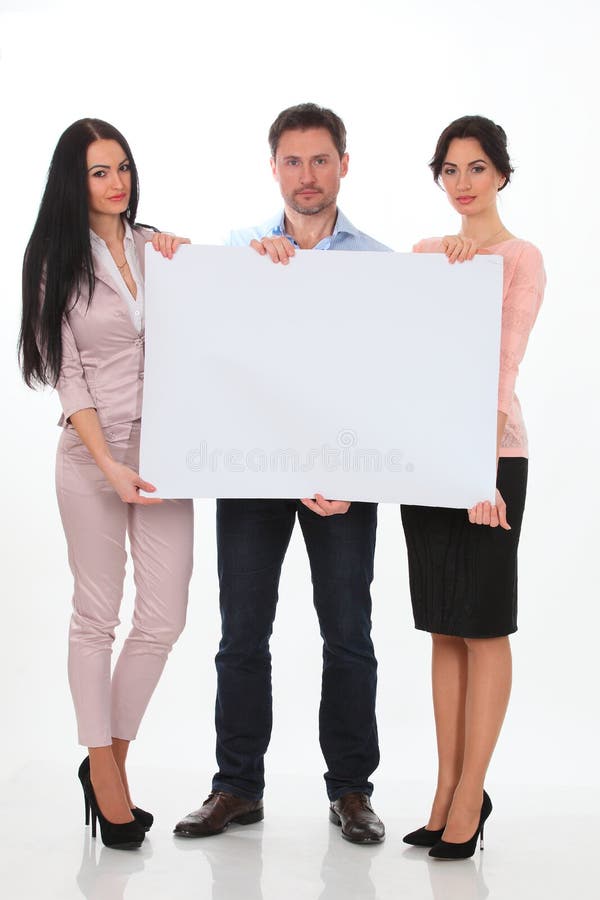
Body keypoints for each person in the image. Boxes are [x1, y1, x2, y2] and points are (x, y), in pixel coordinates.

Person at [174, 103, 389, 844]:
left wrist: (356, 475)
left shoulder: (380, 265)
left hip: (341, 484)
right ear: (274, 169)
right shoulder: (239, 249)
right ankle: (237, 786)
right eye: (293, 161)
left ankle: (353, 791)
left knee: (349, 635)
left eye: (321, 159)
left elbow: (387, 385)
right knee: (241, 635)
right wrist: (245, 276)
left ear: (344, 165)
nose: (307, 175)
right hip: (254, 473)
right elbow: (213, 351)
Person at [19, 118, 194, 850]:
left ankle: (107, 763)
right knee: (96, 617)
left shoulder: (156, 248)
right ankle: (106, 767)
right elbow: (70, 376)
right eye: (99, 171)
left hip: (167, 450)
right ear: (73, 180)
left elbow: (212, 329)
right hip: (91, 455)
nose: (116, 182)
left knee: (164, 617)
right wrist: (111, 464)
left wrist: (197, 268)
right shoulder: (54, 260)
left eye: (122, 167)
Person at [401, 115, 545, 859]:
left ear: (502, 176)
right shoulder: (428, 254)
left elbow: (503, 363)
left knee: (484, 623)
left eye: (477, 168)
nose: (463, 183)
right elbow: (405, 349)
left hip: (490, 456)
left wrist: (480, 470)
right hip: (426, 460)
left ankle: (471, 792)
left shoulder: (521, 257)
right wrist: (444, 269)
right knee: (445, 625)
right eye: (450, 170)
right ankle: (444, 786)